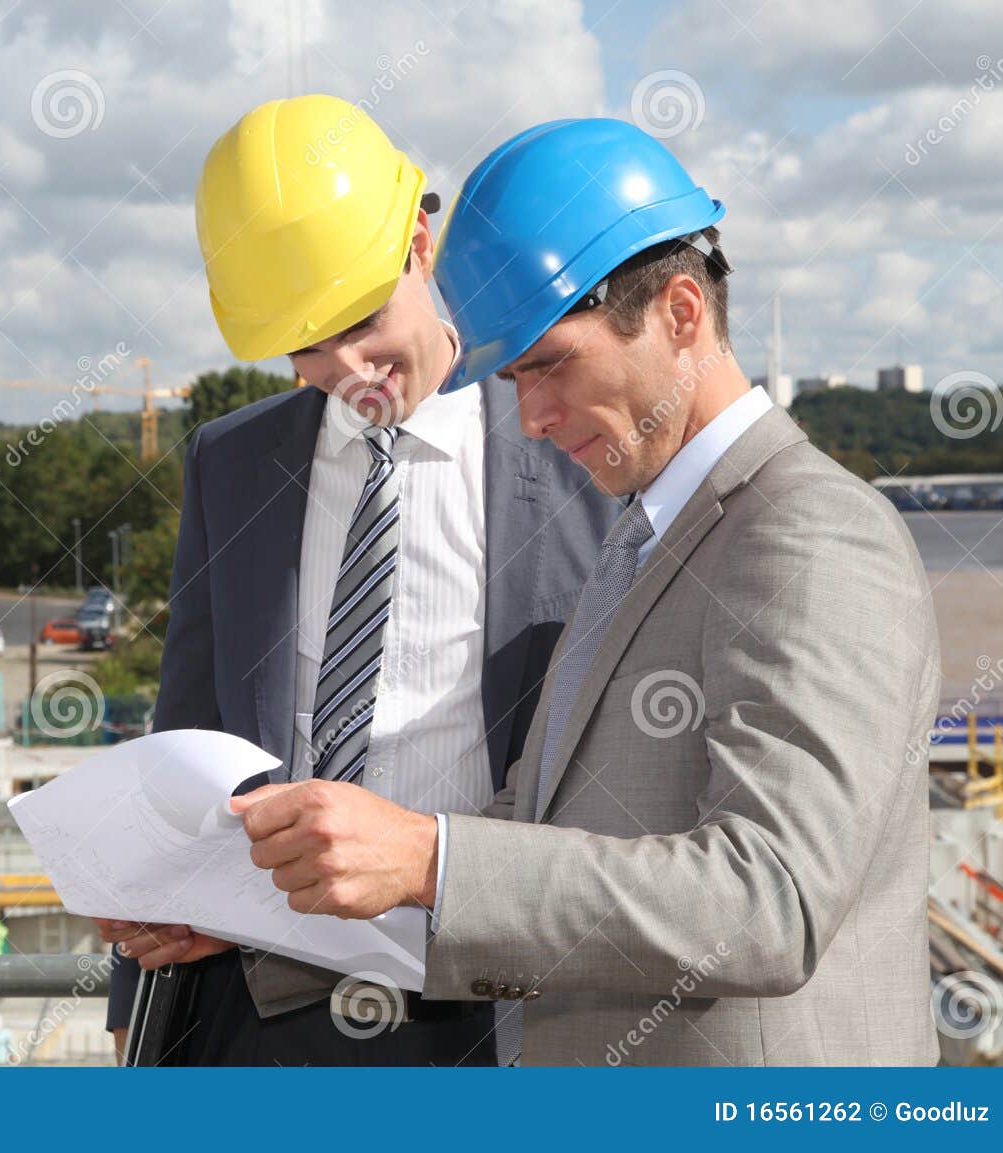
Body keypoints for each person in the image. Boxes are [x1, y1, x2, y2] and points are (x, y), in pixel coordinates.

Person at [229, 117, 941, 1065]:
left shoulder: (810, 531)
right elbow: (537, 835)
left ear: (681, 312)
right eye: (513, 378)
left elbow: (772, 901)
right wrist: (263, 900)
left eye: (552, 363)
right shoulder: (643, 538)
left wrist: (431, 856)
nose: (530, 417)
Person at [95, 95, 616, 1066]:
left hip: (492, 1015)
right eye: (305, 343)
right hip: (254, 1015)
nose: (345, 367)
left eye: (361, 320)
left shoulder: (582, 464)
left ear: (422, 241)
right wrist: (139, 994)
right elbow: (188, 724)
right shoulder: (229, 462)